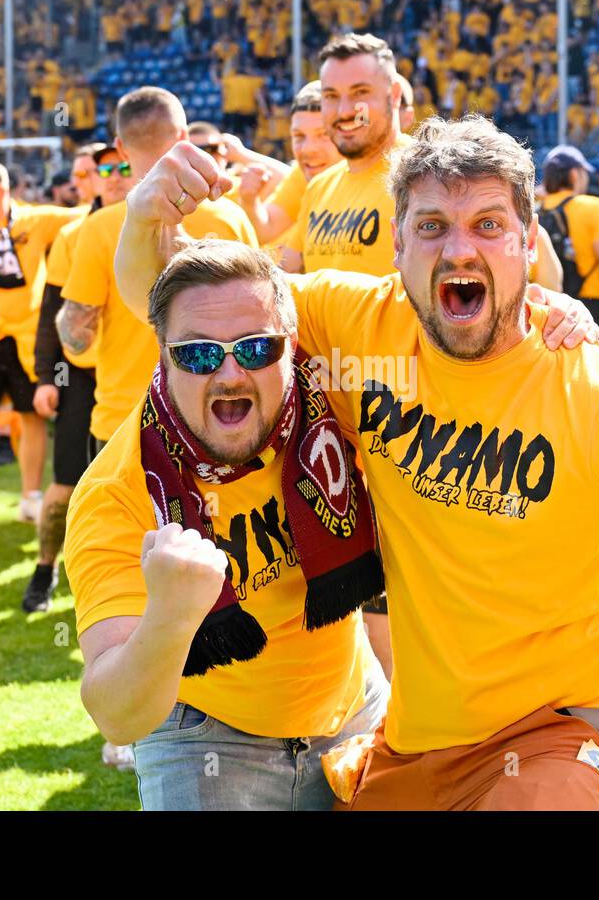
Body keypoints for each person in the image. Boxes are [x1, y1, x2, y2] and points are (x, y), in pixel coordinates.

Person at [118, 115, 599, 811]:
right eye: (432, 226)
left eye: (488, 226)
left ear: (528, 246)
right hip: (419, 745)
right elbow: (178, 310)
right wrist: (145, 213)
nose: (459, 250)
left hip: (566, 732)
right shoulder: (353, 323)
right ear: (397, 245)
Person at [68, 240, 389, 809]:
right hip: (206, 735)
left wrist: (535, 308)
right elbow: (116, 715)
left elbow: (437, 316)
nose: (230, 372)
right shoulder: (118, 492)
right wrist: (170, 614)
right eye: (197, 354)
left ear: (291, 348)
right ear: (161, 358)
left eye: (257, 348)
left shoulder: (331, 393)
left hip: (351, 707)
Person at [59, 87, 258, 460]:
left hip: (126, 420)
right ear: (183, 138)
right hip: (215, 415)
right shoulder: (230, 217)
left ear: (119, 147)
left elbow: (76, 340)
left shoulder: (101, 227)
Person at [25, 145, 131, 613]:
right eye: (100, 169)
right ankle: (45, 568)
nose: (111, 176)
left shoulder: (168, 219)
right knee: (67, 483)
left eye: (121, 166)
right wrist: (47, 376)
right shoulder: (75, 233)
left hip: (140, 377)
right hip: (83, 381)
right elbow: (52, 311)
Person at [0, 159, 83, 523]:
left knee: (31, 416)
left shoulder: (35, 220)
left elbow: (92, 214)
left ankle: (30, 495)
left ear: (1, 191)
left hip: (27, 336)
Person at [281, 33, 406, 277]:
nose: (345, 111)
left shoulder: (425, 177)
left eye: (360, 93)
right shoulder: (319, 188)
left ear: (394, 95)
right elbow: (282, 276)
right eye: (331, 96)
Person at [538, 145, 599, 343]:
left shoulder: (537, 211)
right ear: (574, 174)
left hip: (550, 307)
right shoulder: (593, 206)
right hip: (593, 306)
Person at [238, 82, 343, 247]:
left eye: (323, 135)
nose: (308, 149)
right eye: (299, 136)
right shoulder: (303, 175)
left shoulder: (384, 178)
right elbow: (267, 229)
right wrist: (250, 201)